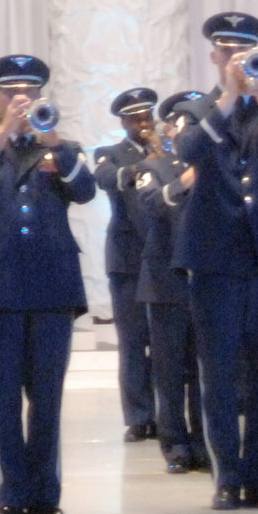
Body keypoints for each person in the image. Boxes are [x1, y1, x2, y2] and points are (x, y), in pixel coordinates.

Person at [174, 12, 258, 510]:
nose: (236, 58)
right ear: (214, 55)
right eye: (228, 50)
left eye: (244, 50)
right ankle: (227, 478)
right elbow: (189, 151)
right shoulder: (197, 110)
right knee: (218, 372)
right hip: (215, 256)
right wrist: (229, 98)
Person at [0, 55, 94, 514]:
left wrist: (53, 141)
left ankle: (46, 495)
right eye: (12, 93)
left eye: (29, 92)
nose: (21, 100)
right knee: (3, 398)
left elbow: (85, 191)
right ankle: (12, 495)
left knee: (48, 398)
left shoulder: (63, 148)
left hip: (52, 286)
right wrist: (1, 135)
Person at [126, 95, 207, 472]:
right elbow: (152, 203)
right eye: (183, 126)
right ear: (172, 131)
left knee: (204, 371)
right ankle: (175, 445)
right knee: (169, 370)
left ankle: (204, 443)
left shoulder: (215, 166)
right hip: (165, 282)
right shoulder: (153, 166)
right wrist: (187, 181)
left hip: (206, 279)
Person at [91, 87, 159, 441]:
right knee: (132, 341)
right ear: (123, 123)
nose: (143, 123)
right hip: (128, 260)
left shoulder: (168, 151)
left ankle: (167, 413)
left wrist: (164, 156)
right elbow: (106, 179)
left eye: (147, 116)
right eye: (135, 119)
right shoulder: (110, 153)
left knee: (165, 342)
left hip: (162, 259)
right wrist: (146, 165)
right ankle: (138, 417)